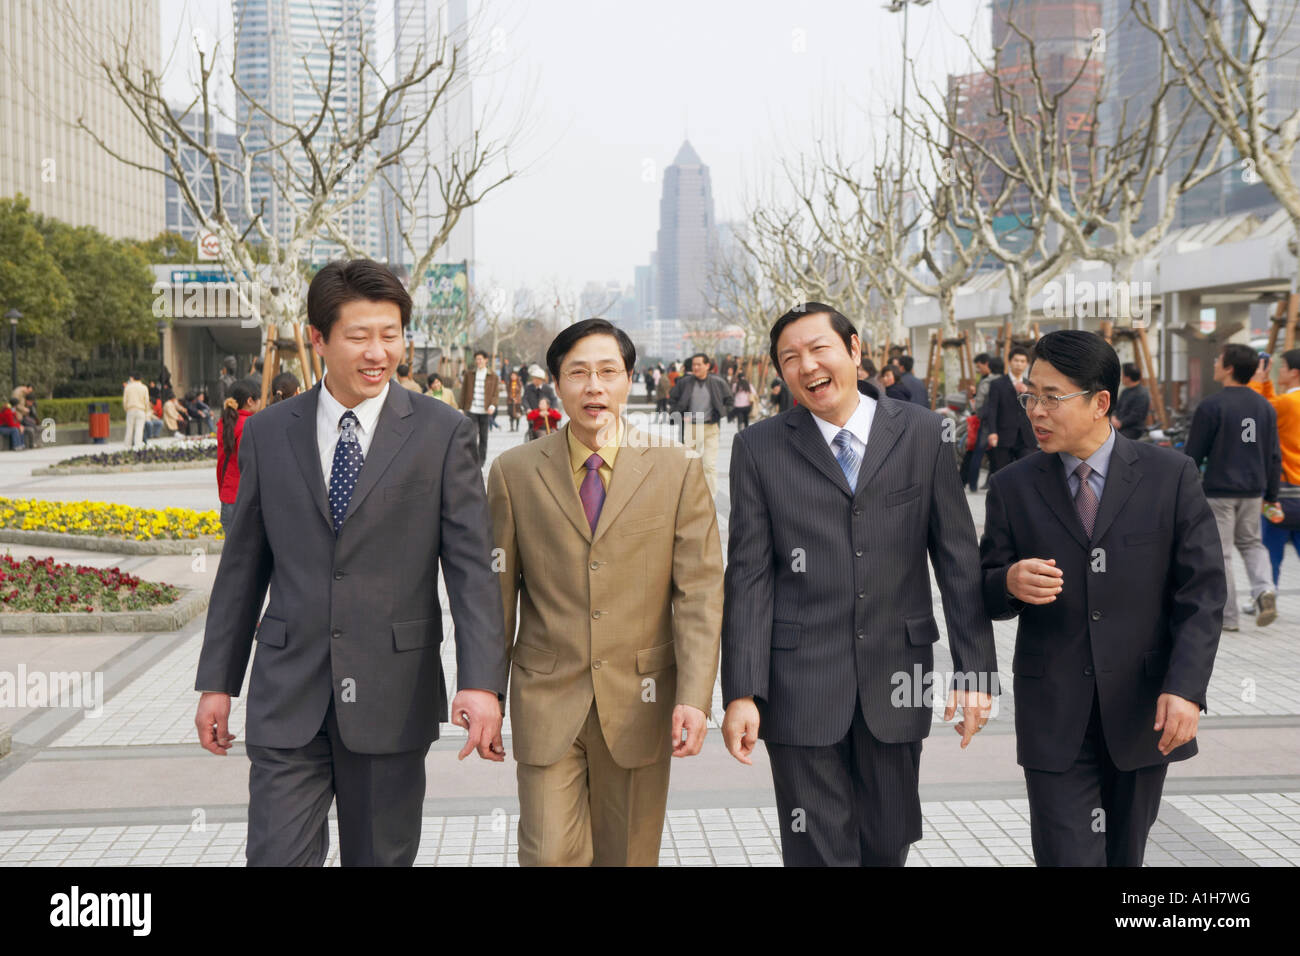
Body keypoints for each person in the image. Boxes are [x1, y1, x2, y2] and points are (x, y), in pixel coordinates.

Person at [193, 258, 507, 866]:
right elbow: (242, 569)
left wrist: (482, 681)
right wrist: (217, 682)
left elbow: (472, 569)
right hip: (289, 696)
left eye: (390, 335)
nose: (377, 352)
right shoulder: (268, 432)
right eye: (359, 336)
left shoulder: (443, 433)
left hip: (393, 693)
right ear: (318, 338)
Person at [722, 303, 997, 867]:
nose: (807, 366)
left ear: (854, 349)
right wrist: (742, 691)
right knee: (817, 851)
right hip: (797, 685)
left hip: (899, 679)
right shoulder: (759, 447)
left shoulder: (923, 433)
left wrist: (976, 672)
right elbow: (748, 577)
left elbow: (958, 561)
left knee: (887, 844)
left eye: (819, 348)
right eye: (789, 358)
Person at [980, 330, 1224, 867]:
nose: (1035, 411)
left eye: (1051, 397)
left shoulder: (1170, 476)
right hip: (1054, 714)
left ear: (1100, 402)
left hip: (1141, 712)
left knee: (1124, 857)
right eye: (1030, 396)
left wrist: (1185, 689)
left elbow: (1202, 593)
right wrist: (1008, 583)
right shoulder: (1013, 486)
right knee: (1066, 856)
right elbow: (985, 588)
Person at [488, 318, 723, 866]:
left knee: (628, 856)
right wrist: (486, 692)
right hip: (547, 695)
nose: (594, 386)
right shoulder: (514, 472)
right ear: (556, 383)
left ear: (629, 379)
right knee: (547, 854)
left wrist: (694, 695)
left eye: (607, 372)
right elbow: (495, 595)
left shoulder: (677, 469)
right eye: (578, 373)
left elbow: (700, 592)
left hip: (642, 697)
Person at [1184, 343, 1281, 631]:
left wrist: (1184, 489)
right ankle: (1264, 589)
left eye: (1218, 360)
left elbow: (1193, 453)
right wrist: (1271, 494)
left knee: (1222, 552)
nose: (1214, 364)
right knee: (1252, 543)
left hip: (1219, 491)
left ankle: (1228, 617)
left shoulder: (1212, 405)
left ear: (1228, 368)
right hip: (1254, 489)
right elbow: (1274, 454)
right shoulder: (1264, 406)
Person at [1251, 349, 1300, 585]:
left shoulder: (1288, 403)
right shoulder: (1288, 402)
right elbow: (1273, 405)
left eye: (1283, 367)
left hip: (1282, 490)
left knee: (1271, 548)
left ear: (1294, 372)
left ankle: (1267, 594)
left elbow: (1255, 411)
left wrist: (1257, 381)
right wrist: (1268, 381)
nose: (1280, 370)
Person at [669, 353, 733, 498]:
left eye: (699, 364)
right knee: (689, 464)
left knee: (709, 465)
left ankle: (710, 498)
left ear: (707, 366)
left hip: (711, 428)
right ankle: (689, 496)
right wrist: (679, 415)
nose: (695, 367)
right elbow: (673, 399)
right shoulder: (684, 383)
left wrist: (721, 413)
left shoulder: (718, 382)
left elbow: (729, 401)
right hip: (691, 428)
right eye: (694, 365)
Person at [983, 347, 1036, 474]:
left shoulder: (1031, 385)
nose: (1019, 364)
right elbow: (992, 409)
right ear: (1010, 362)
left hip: (1026, 436)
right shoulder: (998, 383)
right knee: (1002, 472)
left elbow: (1037, 407)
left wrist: (1027, 392)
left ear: (1027, 364)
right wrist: (992, 432)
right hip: (1004, 435)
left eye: (1023, 361)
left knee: (1027, 472)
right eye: (1016, 360)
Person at [217, 381, 260, 531]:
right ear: (250, 401)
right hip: (245, 501)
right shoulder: (249, 425)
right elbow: (250, 465)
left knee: (232, 553)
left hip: (227, 497)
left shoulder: (225, 422)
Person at [459, 350, 499, 465]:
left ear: (486, 360)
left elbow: (495, 393)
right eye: (477, 359)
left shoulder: (493, 376)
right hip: (472, 409)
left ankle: (481, 461)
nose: (478, 361)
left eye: (480, 359)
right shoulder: (469, 374)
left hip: (485, 410)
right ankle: (473, 459)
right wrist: (461, 407)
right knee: (472, 435)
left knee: (484, 437)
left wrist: (492, 405)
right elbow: (463, 391)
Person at [964, 353, 994, 492]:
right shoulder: (987, 379)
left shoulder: (989, 380)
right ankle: (973, 484)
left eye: (979, 367)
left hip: (985, 421)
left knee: (980, 452)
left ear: (986, 363)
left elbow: (982, 403)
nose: (978, 370)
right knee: (981, 452)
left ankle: (975, 483)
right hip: (987, 421)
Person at [1112, 363, 1151, 440]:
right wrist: (1113, 416)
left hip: (1134, 429)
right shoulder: (1125, 391)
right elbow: (1117, 407)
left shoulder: (1142, 393)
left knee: (1115, 441)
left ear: (1128, 378)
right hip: (1119, 425)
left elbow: (1136, 416)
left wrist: (1120, 423)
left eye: (1122, 375)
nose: (1121, 377)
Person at [123, 372, 150, 449]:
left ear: (132, 378)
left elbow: (125, 401)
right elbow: (146, 401)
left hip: (130, 410)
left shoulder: (128, 388)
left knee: (129, 429)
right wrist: (146, 411)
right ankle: (137, 447)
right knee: (139, 429)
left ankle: (127, 446)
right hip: (141, 410)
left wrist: (126, 409)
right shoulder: (144, 387)